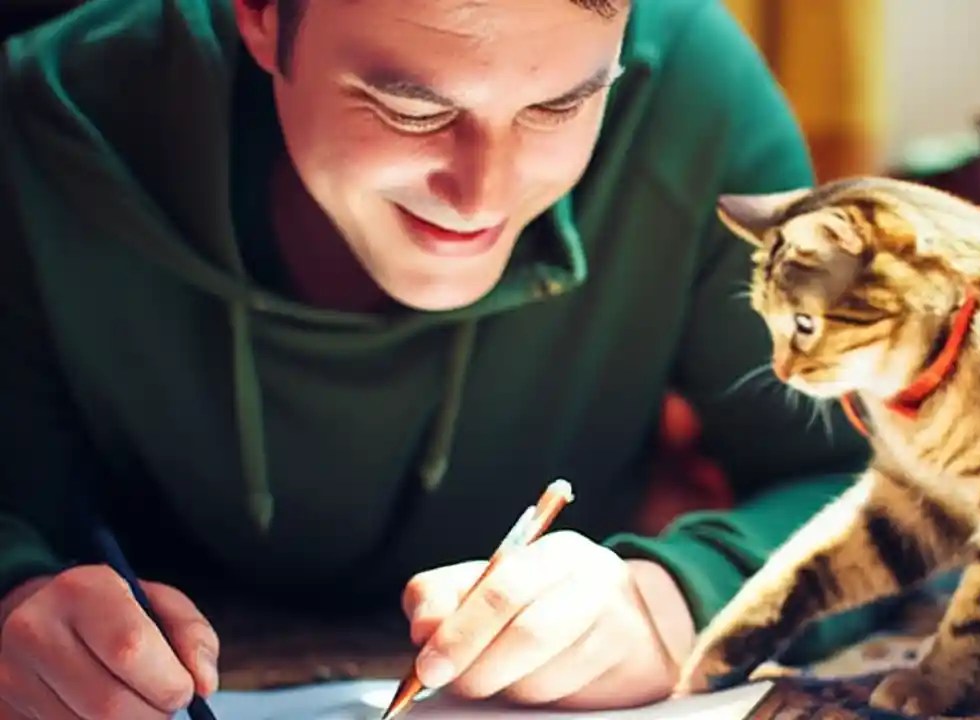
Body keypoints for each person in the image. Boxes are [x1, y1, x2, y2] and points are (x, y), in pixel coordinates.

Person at [0, 0, 870, 717]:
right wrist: (13, 598)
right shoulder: (43, 116)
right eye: (412, 111)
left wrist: (681, 597)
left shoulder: (691, 85)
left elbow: (872, 485)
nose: (482, 196)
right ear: (261, 16)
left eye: (559, 108)